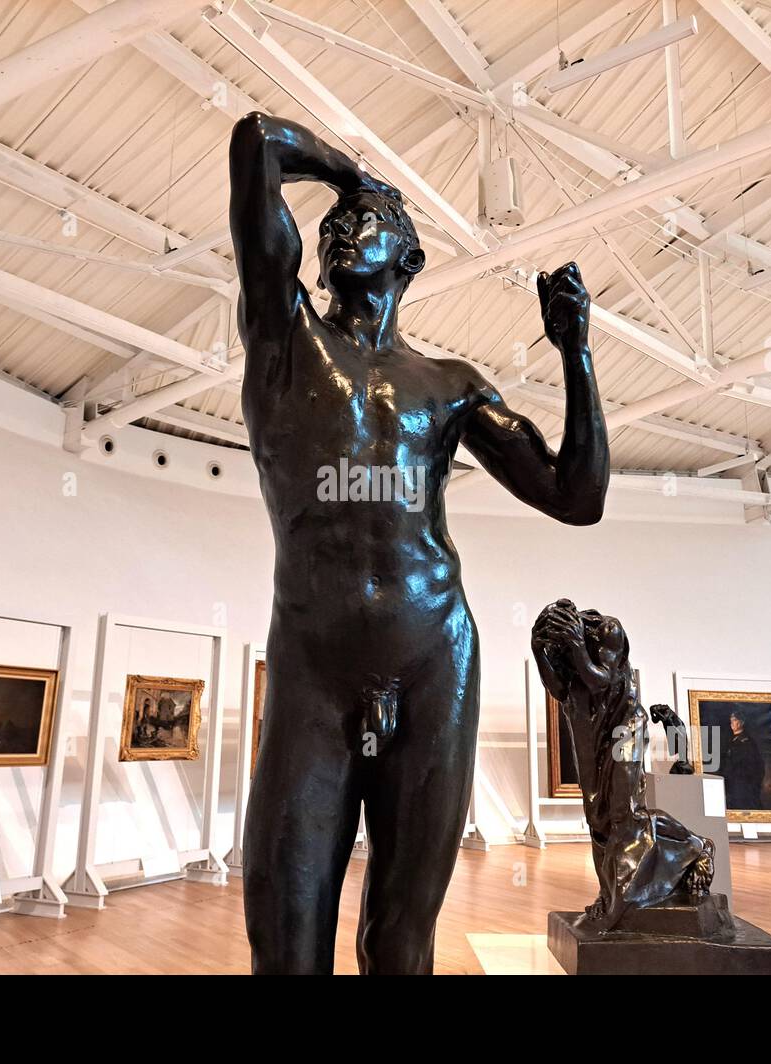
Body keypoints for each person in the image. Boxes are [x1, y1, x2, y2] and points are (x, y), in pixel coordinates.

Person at [229, 113, 610, 974]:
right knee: (285, 945)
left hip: (435, 659)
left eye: (367, 222)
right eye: (332, 222)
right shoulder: (284, 340)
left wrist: (577, 356)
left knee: (401, 943)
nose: (340, 226)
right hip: (315, 674)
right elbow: (257, 141)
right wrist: (356, 177)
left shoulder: (449, 386)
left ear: (411, 260)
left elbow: (576, 497)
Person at [532, 601, 712, 928]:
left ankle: (624, 896)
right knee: (597, 817)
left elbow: (602, 679)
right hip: (593, 731)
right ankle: (619, 885)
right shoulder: (562, 649)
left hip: (624, 727)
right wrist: (537, 651)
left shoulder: (607, 630)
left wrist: (574, 645)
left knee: (624, 812)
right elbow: (559, 688)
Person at [723, 710, 766, 810]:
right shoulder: (732, 741)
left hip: (744, 786)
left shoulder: (747, 742)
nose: (731, 723)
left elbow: (756, 766)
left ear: (741, 722)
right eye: (731, 720)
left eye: (734, 720)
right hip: (733, 785)